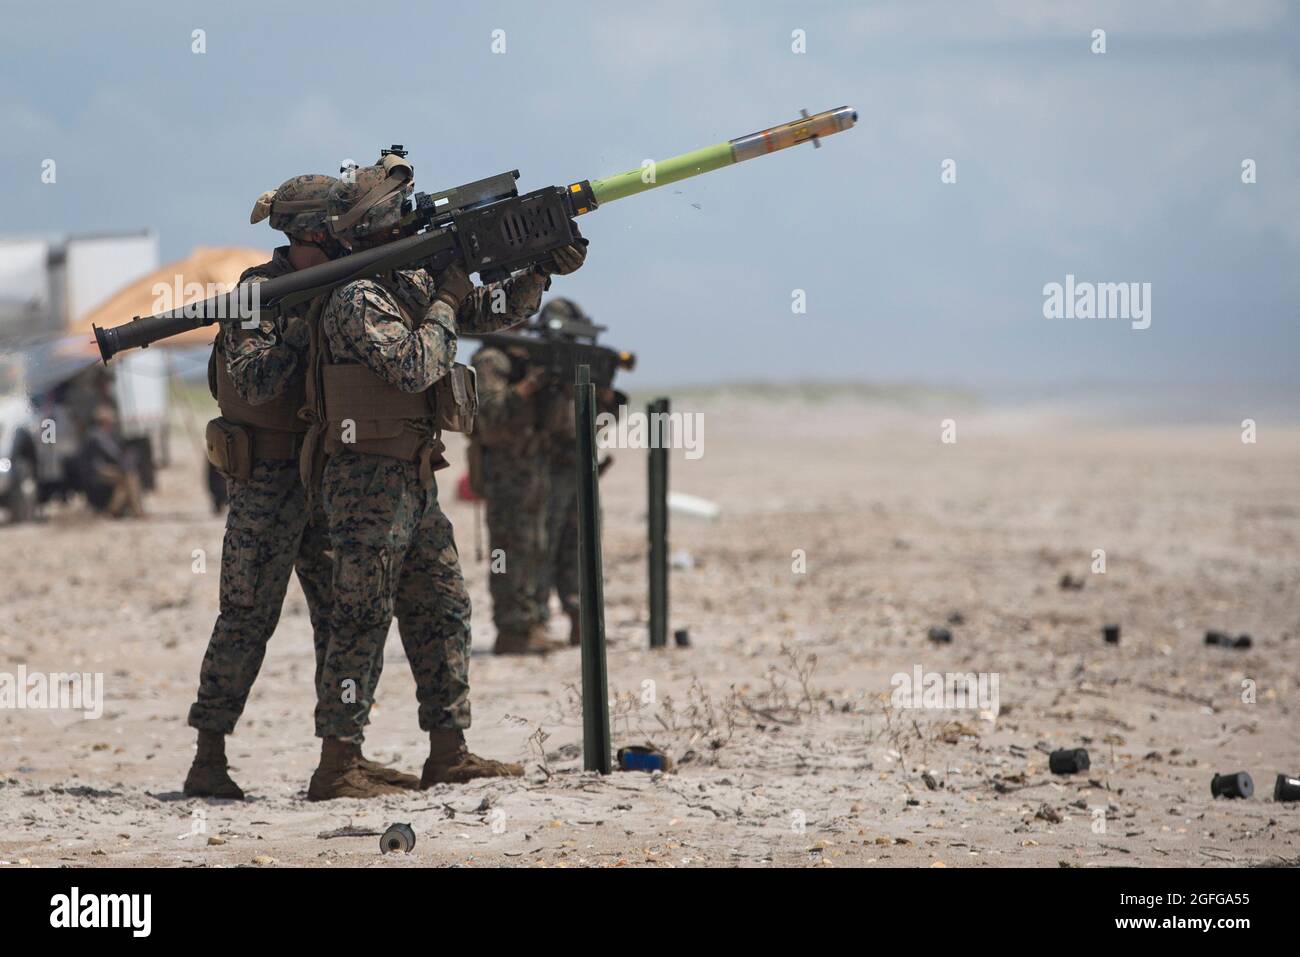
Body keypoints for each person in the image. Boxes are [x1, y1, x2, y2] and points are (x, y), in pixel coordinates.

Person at [305, 158, 587, 799]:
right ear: (378, 223)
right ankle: (338, 763)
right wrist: (448, 298)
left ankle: (449, 750)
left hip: (411, 473)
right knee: (361, 619)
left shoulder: (407, 281)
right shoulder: (357, 296)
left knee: (443, 608)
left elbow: (487, 312)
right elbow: (415, 364)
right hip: (364, 481)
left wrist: (538, 270)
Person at [184, 174, 418, 799]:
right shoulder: (257, 293)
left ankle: (341, 757)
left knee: (343, 615)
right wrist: (303, 317)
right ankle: (208, 758)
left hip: (327, 472)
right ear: (314, 231)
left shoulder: (351, 286)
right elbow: (255, 381)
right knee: (247, 615)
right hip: (266, 477)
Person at [80, 404, 144, 518]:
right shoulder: (97, 435)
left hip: (102, 468)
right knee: (130, 477)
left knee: (125, 481)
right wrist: (126, 458)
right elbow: (113, 454)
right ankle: (136, 511)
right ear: (104, 421)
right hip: (98, 470)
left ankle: (115, 509)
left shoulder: (101, 433)